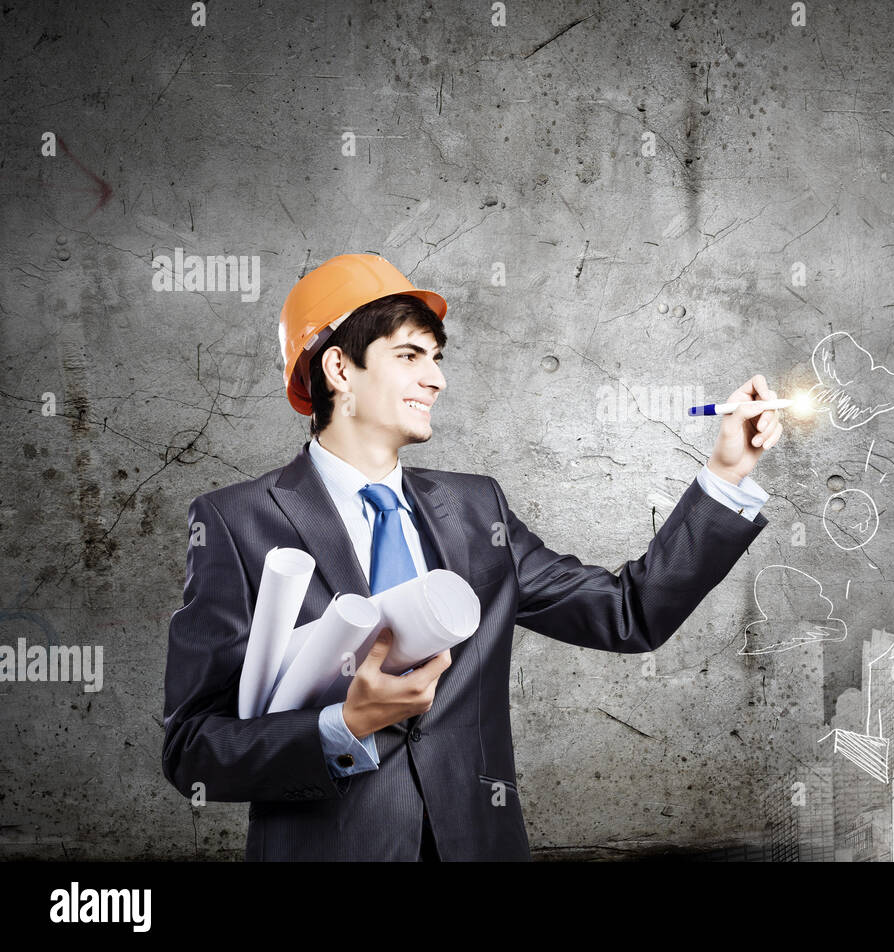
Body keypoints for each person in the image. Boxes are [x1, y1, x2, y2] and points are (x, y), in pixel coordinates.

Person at [161, 253, 782, 860]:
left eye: (436, 358)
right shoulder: (233, 521)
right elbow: (191, 749)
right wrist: (340, 729)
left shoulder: (476, 510)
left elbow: (629, 613)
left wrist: (725, 474)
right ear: (339, 370)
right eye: (408, 356)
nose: (436, 378)